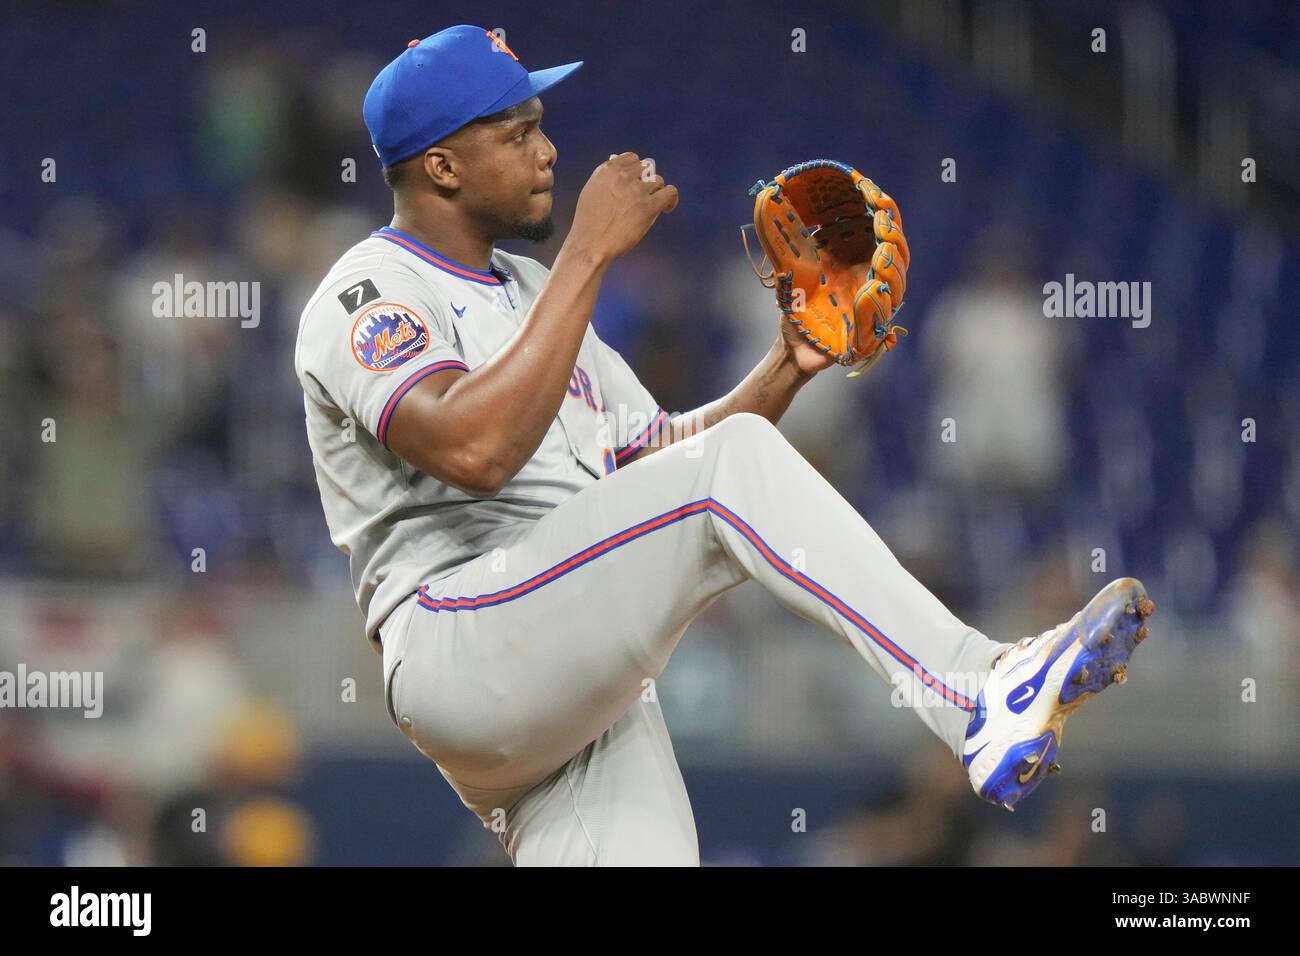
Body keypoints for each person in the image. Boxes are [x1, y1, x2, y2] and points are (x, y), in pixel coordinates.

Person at [293, 24, 1155, 865]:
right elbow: (472, 450)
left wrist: (786, 366)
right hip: (462, 641)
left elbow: (657, 459)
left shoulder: (529, 289)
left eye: (540, 126)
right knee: (726, 468)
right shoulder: (370, 290)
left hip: (567, 672)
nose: (548, 150)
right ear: (441, 166)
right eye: (518, 134)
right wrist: (590, 252)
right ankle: (974, 688)